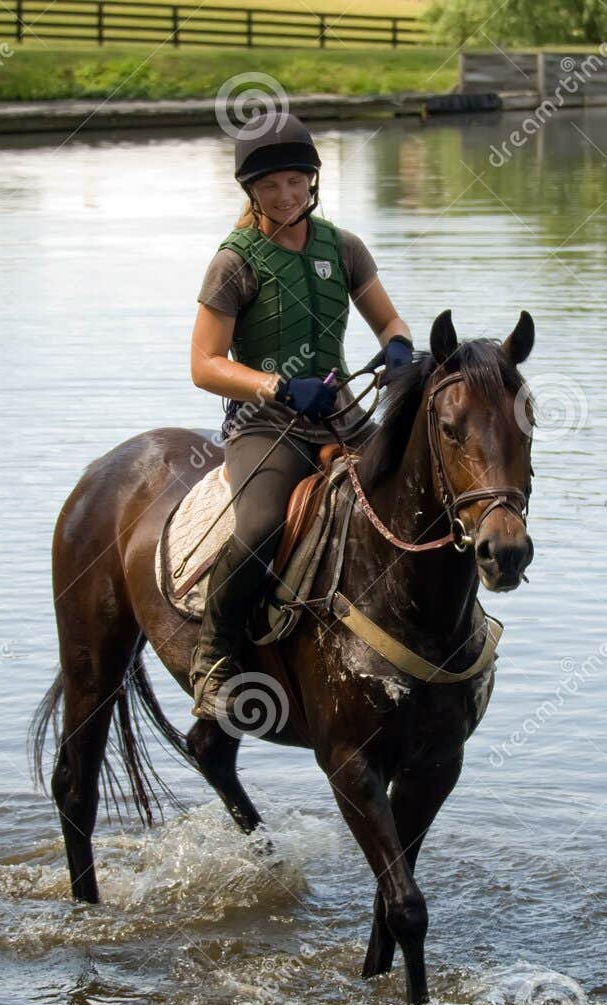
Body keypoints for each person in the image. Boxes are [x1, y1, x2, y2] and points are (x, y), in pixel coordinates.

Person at [188, 110, 415, 722]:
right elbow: (204, 365)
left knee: (413, 492)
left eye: (296, 182)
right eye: (270, 187)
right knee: (261, 525)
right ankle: (212, 658)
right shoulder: (234, 262)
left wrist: (397, 346)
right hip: (266, 423)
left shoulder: (343, 248)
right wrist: (281, 387)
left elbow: (389, 320)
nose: (286, 196)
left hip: (340, 411)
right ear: (251, 193)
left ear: (312, 181)